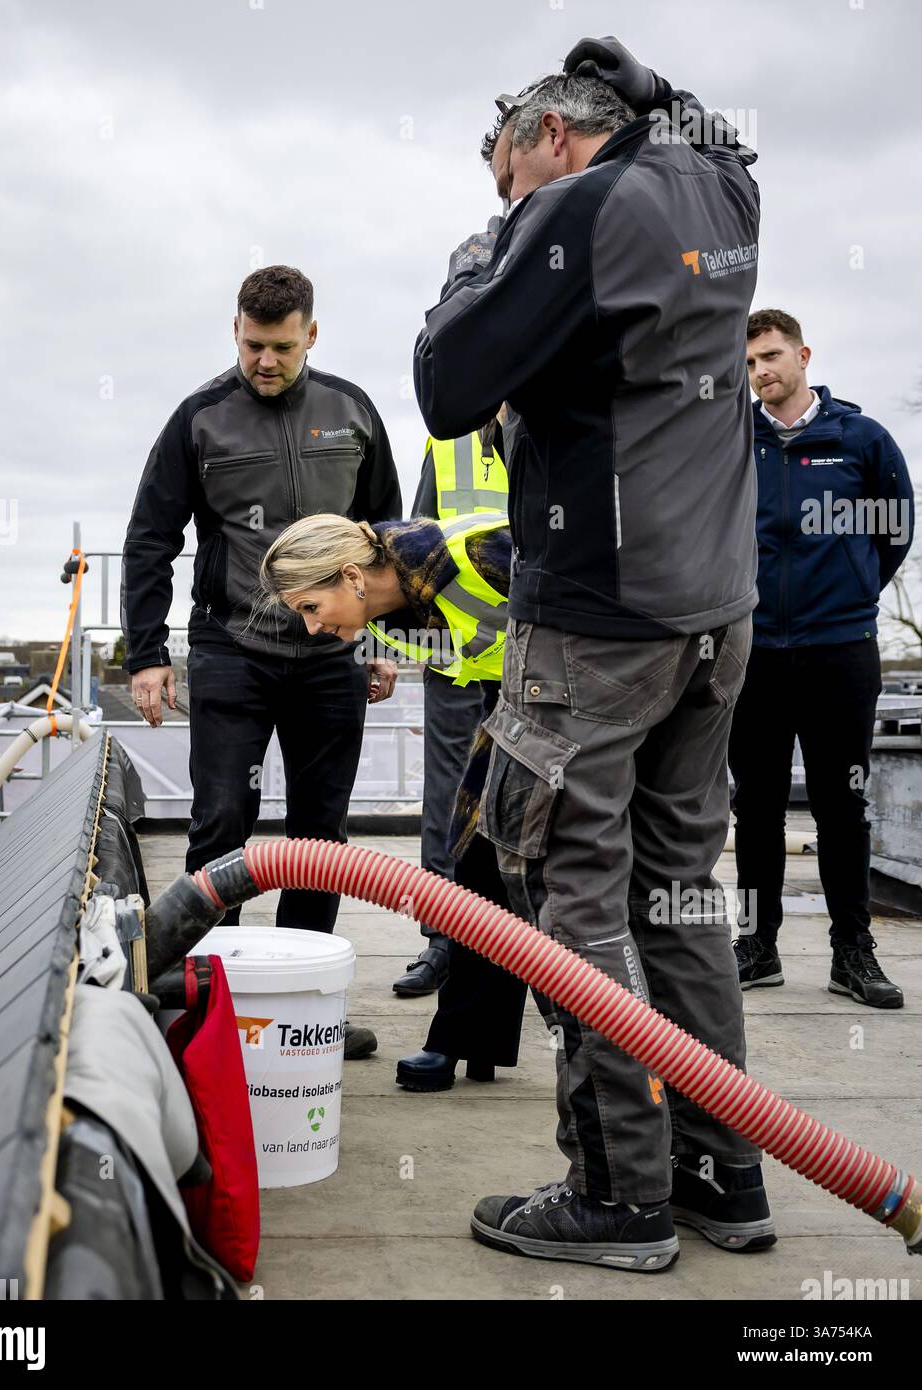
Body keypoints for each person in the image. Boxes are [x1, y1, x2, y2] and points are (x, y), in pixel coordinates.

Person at [414, 38, 771, 1271]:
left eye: (504, 180)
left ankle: (618, 1193)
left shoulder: (570, 208)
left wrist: (473, 273)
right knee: (677, 902)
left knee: (574, 903)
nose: (503, 212)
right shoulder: (717, 187)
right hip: (714, 617)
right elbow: (709, 129)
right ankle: (725, 1171)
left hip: (597, 625)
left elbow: (446, 384)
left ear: (553, 140)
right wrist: (650, 85)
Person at [121, 264, 401, 1060]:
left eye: (280, 346)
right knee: (221, 829)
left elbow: (386, 537)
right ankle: (212, 1010)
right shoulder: (200, 419)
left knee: (318, 837)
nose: (264, 362)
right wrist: (148, 655)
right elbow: (150, 539)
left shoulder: (352, 412)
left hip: (330, 653)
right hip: (231, 649)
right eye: (251, 345)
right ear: (235, 331)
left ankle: (302, 1010)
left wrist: (381, 637)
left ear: (312, 334)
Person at [259, 511, 529, 1088]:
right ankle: (468, 1040)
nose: (311, 629)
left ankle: (641, 1055)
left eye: (311, 608)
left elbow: (600, 612)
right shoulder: (383, 615)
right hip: (516, 706)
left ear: (352, 576)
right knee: (479, 866)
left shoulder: (478, 555)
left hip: (606, 702)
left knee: (574, 886)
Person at [732, 309, 914, 1006]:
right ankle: (757, 946)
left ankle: (852, 953)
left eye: (771, 357)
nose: (760, 373)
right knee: (756, 808)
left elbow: (894, 529)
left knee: (845, 807)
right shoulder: (732, 441)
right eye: (748, 364)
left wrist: (851, 591)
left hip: (841, 653)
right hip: (752, 652)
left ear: (803, 355)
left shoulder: (860, 439)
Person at [390, 420, 510, 999]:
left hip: (532, 648)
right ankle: (443, 937)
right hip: (459, 650)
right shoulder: (447, 441)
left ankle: (523, 940)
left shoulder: (553, 417)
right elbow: (417, 544)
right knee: (448, 791)